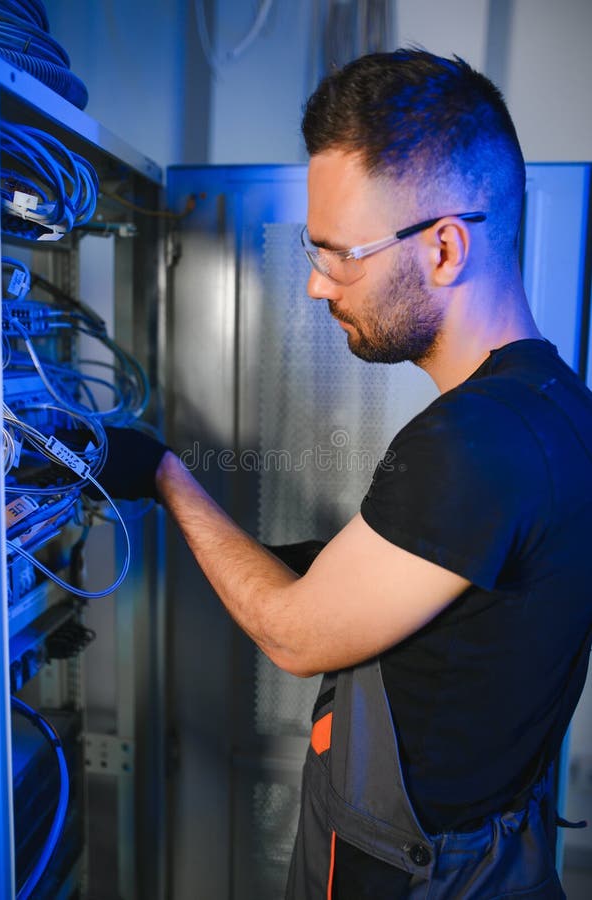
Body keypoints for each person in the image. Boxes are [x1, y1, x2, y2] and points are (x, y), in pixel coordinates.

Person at [100, 49, 592, 899]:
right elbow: (429, 590)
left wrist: (164, 474)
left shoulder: (473, 441)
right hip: (493, 853)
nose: (316, 285)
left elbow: (295, 636)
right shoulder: (553, 404)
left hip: (414, 876)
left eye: (339, 254)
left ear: (444, 248)